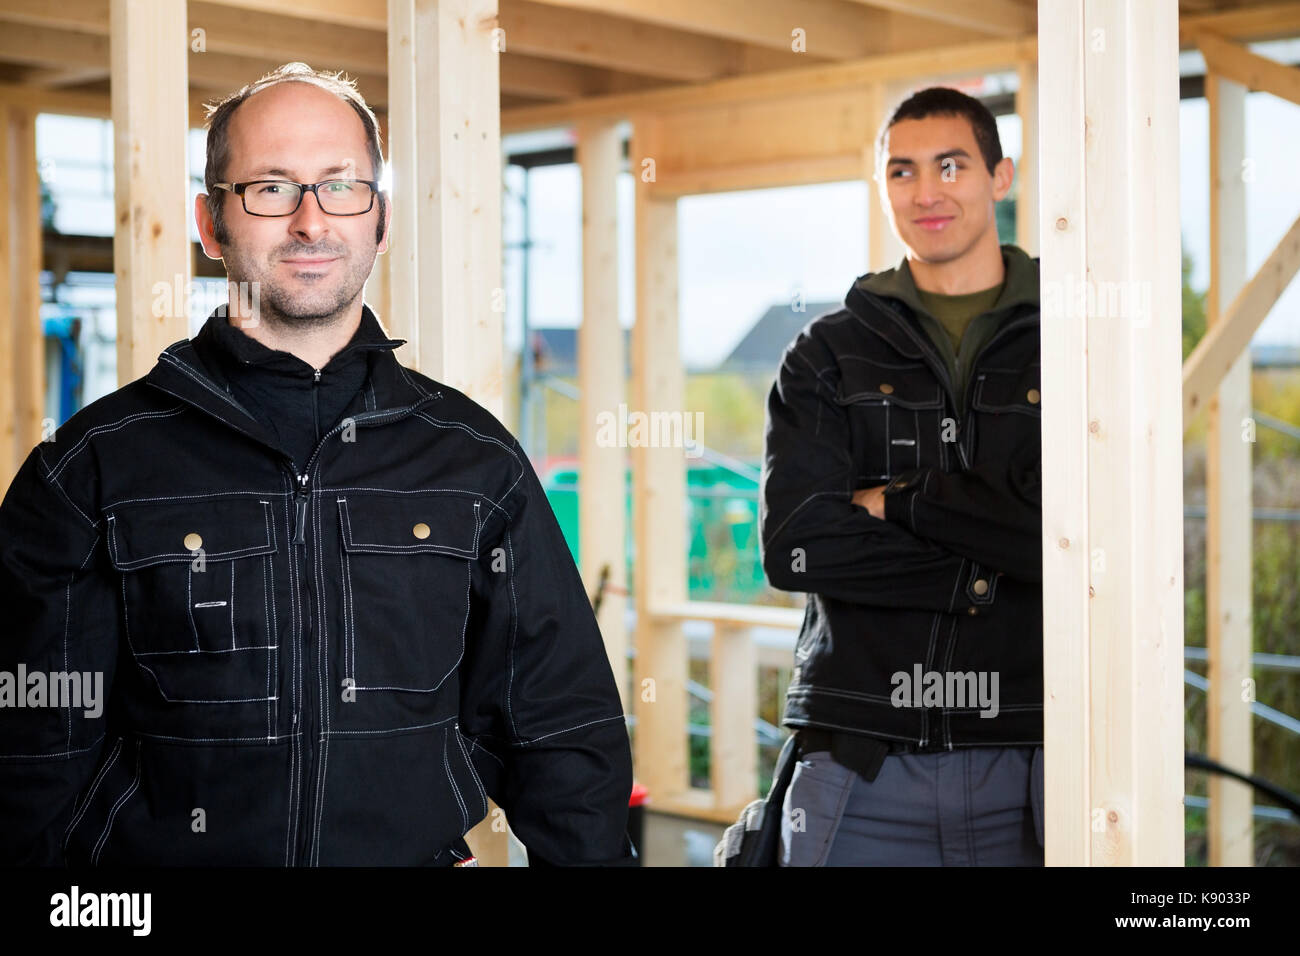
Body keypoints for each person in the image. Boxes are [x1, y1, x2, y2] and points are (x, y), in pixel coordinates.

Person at [0, 62, 634, 866]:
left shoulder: (472, 461)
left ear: (380, 217)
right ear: (209, 221)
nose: (310, 220)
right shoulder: (94, 467)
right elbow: (29, 747)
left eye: (340, 186)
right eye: (270, 187)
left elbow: (559, 722)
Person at [760, 87, 1044, 866]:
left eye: (951, 166)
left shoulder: (1071, 342)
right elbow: (799, 547)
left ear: (1000, 175)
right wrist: (991, 569)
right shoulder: (827, 352)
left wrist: (899, 502)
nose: (926, 192)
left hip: (1036, 747)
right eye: (902, 171)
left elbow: (1068, 538)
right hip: (860, 752)